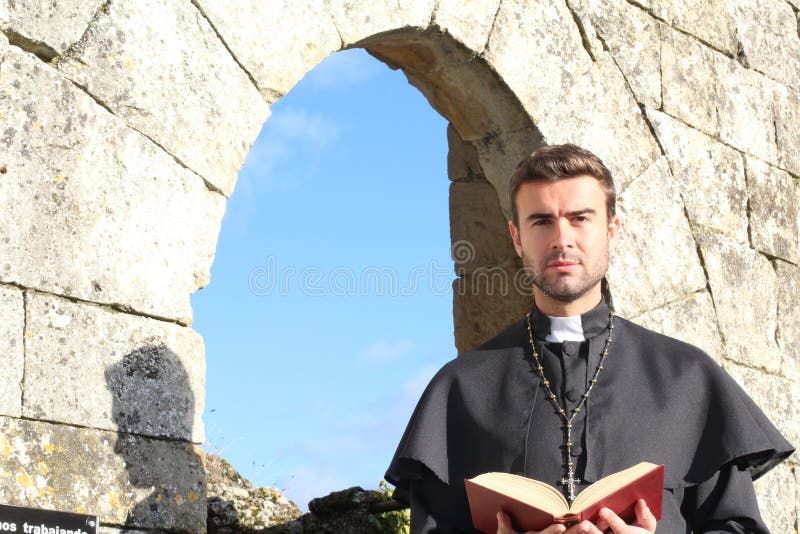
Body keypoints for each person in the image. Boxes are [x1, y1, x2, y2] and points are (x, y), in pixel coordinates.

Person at [385, 144, 794, 533]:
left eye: (580, 218)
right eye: (542, 221)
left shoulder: (688, 377)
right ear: (516, 237)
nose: (562, 239)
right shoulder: (460, 388)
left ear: (612, 229)